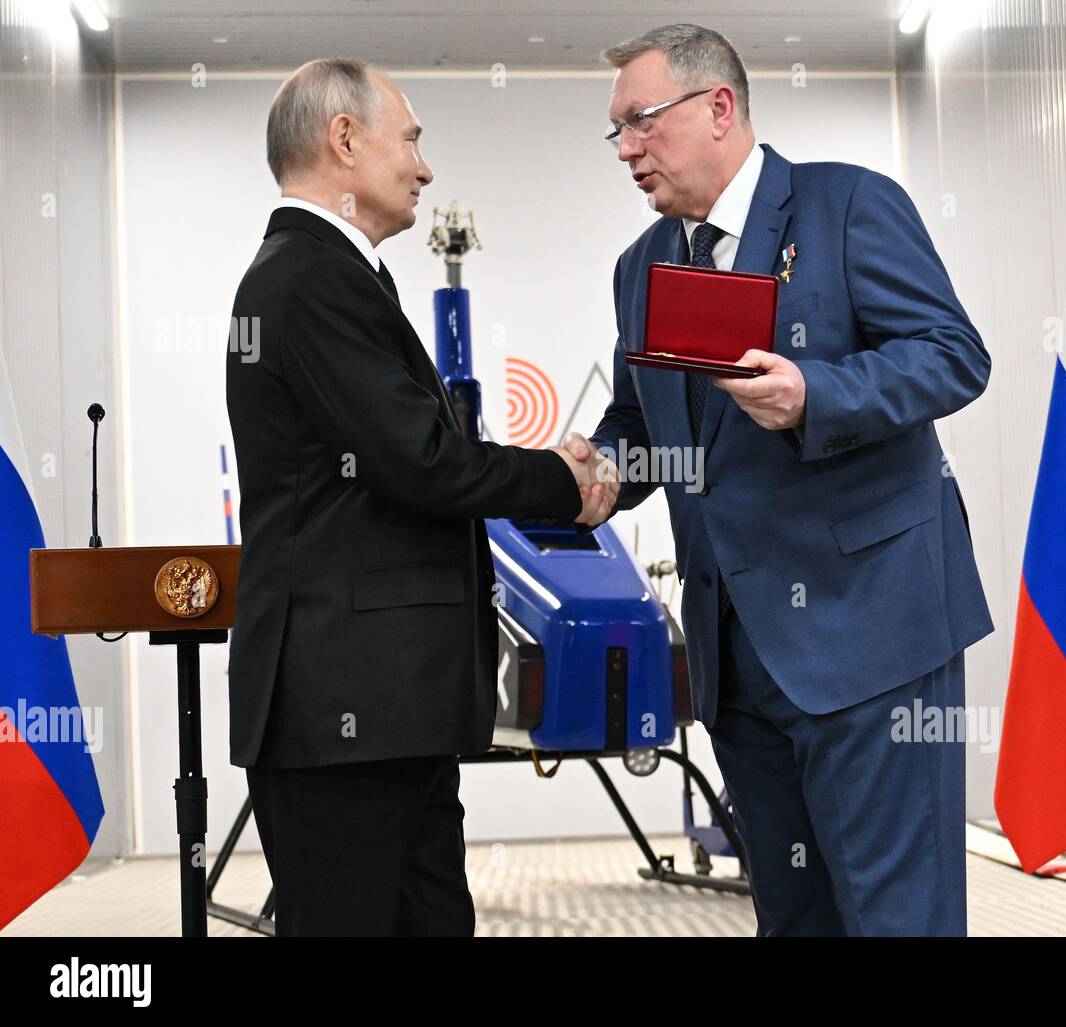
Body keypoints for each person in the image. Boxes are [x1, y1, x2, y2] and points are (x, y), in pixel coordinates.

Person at [564, 24, 994, 935]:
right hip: (737, 662)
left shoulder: (845, 206)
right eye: (617, 132)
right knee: (793, 918)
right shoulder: (643, 267)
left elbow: (954, 356)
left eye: (641, 122)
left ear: (719, 106)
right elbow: (650, 421)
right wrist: (602, 470)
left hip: (870, 635)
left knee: (896, 918)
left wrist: (816, 396)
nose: (627, 150)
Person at [225, 57, 615, 936]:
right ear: (345, 138)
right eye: (412, 139)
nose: (426, 168)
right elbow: (425, 463)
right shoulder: (309, 278)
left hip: (388, 711)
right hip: (344, 712)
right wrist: (564, 479)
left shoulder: (331, 275)